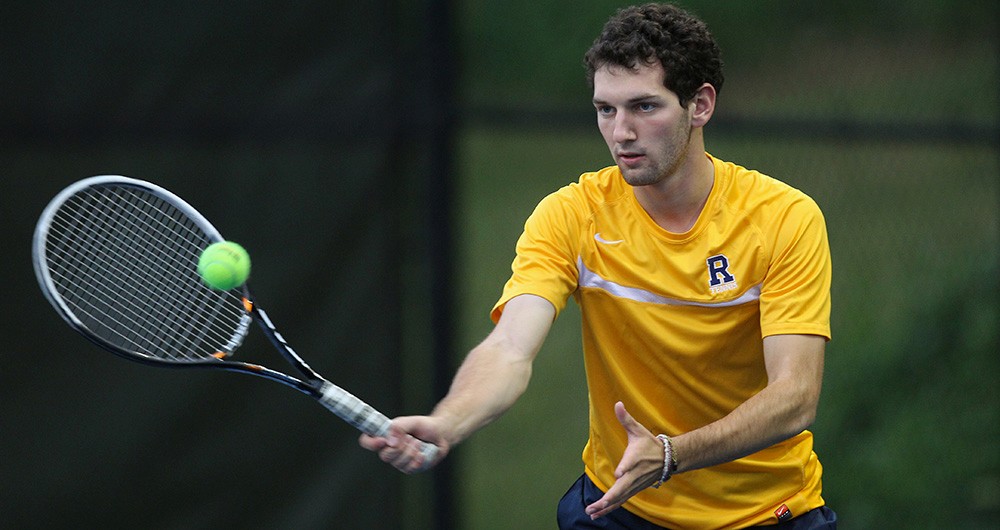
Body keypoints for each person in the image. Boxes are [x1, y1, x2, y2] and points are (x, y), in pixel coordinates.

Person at [361, 3, 837, 528]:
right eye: (605, 109)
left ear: (700, 105)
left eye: (644, 107)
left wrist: (671, 455)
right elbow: (510, 347)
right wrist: (450, 420)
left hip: (768, 514)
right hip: (617, 508)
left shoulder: (784, 218)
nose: (621, 132)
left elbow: (794, 396)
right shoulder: (572, 214)